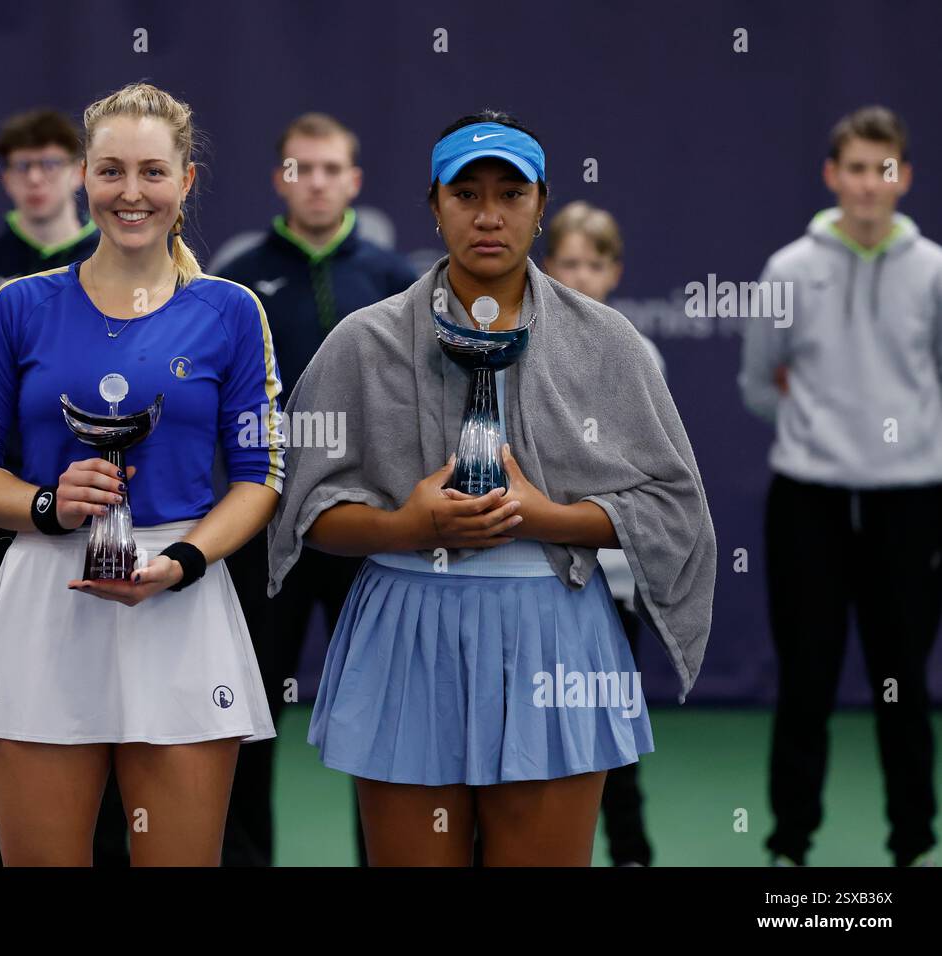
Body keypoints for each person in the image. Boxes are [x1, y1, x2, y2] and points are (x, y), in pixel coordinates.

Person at [267, 110, 716, 865]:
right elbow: (300, 508)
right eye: (465, 193)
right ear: (434, 206)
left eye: (510, 194)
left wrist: (553, 517)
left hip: (556, 632)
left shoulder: (608, 344)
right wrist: (405, 527)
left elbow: (674, 510)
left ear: (541, 208)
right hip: (403, 626)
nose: (487, 215)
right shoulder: (362, 341)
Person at [0, 81, 285, 866]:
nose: (132, 194)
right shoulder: (18, 306)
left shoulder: (231, 311)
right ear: (82, 178)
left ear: (186, 181)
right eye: (111, 172)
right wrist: (47, 504)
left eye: (153, 172)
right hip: (45, 602)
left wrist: (185, 562)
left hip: (182, 604)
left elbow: (261, 472)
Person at [739, 105, 942, 868]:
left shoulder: (935, 272)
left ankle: (914, 845)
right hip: (809, 502)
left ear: (904, 177)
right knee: (806, 682)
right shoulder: (788, 270)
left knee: (904, 685)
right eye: (855, 168)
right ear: (832, 176)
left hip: (913, 504)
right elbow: (760, 382)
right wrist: (821, 433)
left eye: (883, 169)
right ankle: (791, 845)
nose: (868, 184)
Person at [216, 112, 415, 867]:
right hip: (264, 524)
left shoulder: (397, 279)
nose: (318, 181)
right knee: (249, 708)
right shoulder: (237, 276)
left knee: (379, 712)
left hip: (368, 530)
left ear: (355, 182)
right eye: (303, 167)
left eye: (333, 168)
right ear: (281, 179)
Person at [0, 108, 125, 868]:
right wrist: (32, 500)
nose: (38, 179)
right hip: (2, 530)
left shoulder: (123, 265)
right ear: (5, 177)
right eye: (21, 167)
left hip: (114, 526)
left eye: (52, 163)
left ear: (77, 173)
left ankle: (108, 851)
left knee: (109, 701)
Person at [542, 200, 664, 867]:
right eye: (568, 262)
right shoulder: (516, 343)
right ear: (547, 266)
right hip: (532, 582)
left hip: (611, 591)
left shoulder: (636, 355)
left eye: (595, 263)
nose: (581, 276)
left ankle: (630, 854)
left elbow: (649, 474)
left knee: (611, 733)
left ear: (614, 271)